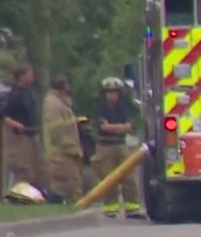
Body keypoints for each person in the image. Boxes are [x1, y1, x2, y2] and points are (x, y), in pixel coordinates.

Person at [93, 77, 144, 219]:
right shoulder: (100, 107)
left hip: (121, 145)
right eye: (109, 92)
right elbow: (104, 127)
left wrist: (115, 127)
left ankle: (132, 208)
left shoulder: (123, 107)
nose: (112, 95)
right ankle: (111, 208)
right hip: (104, 146)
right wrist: (120, 127)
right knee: (108, 178)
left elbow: (129, 126)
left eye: (115, 92)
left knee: (129, 176)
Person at [41, 74, 85, 204]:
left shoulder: (62, 102)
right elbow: (56, 130)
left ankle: (74, 207)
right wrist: (68, 146)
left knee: (73, 184)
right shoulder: (52, 104)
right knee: (62, 186)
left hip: (69, 151)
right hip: (60, 152)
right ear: (63, 87)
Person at [2, 64, 40, 194]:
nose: (32, 77)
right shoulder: (14, 95)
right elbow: (4, 116)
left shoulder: (31, 93)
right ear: (21, 76)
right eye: (29, 74)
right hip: (19, 137)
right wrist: (15, 124)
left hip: (32, 134)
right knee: (22, 167)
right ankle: (15, 194)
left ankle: (32, 193)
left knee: (35, 168)